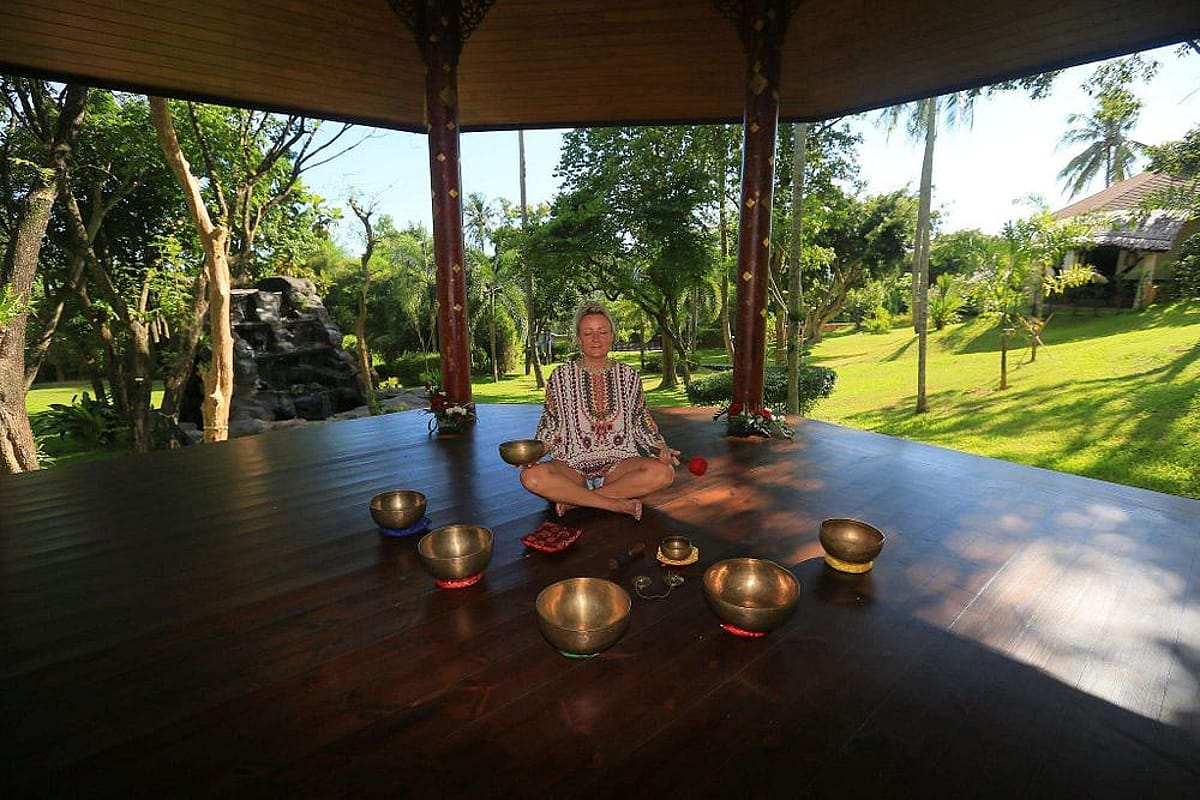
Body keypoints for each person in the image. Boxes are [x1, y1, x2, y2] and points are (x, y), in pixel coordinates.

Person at [520, 299, 679, 520]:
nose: (596, 339)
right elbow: (550, 426)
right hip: (571, 464)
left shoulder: (629, 376)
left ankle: (577, 502)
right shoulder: (560, 377)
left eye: (602, 332)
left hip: (619, 464)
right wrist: (533, 455)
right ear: (578, 339)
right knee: (531, 477)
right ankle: (613, 504)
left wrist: (660, 448)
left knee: (664, 473)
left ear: (612, 336)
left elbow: (641, 422)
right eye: (588, 333)